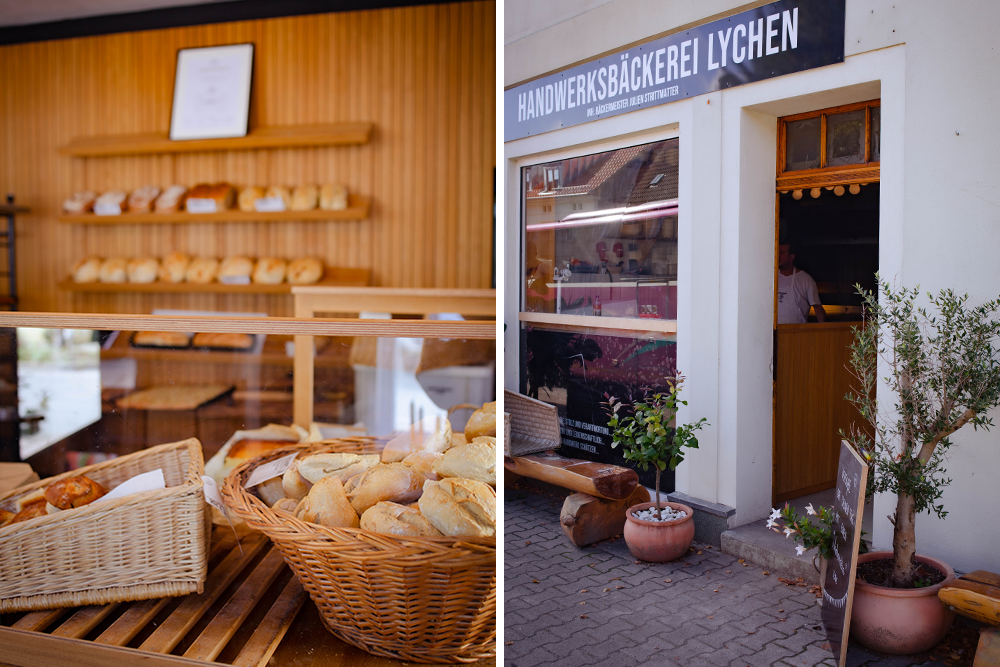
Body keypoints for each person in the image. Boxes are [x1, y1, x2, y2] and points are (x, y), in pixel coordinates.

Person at [776, 242, 826, 323]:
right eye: (777, 252)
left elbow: (817, 308)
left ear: (791, 257)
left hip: (798, 329)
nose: (778, 256)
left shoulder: (806, 279)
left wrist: (823, 328)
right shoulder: (772, 278)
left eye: (781, 252)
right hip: (774, 330)